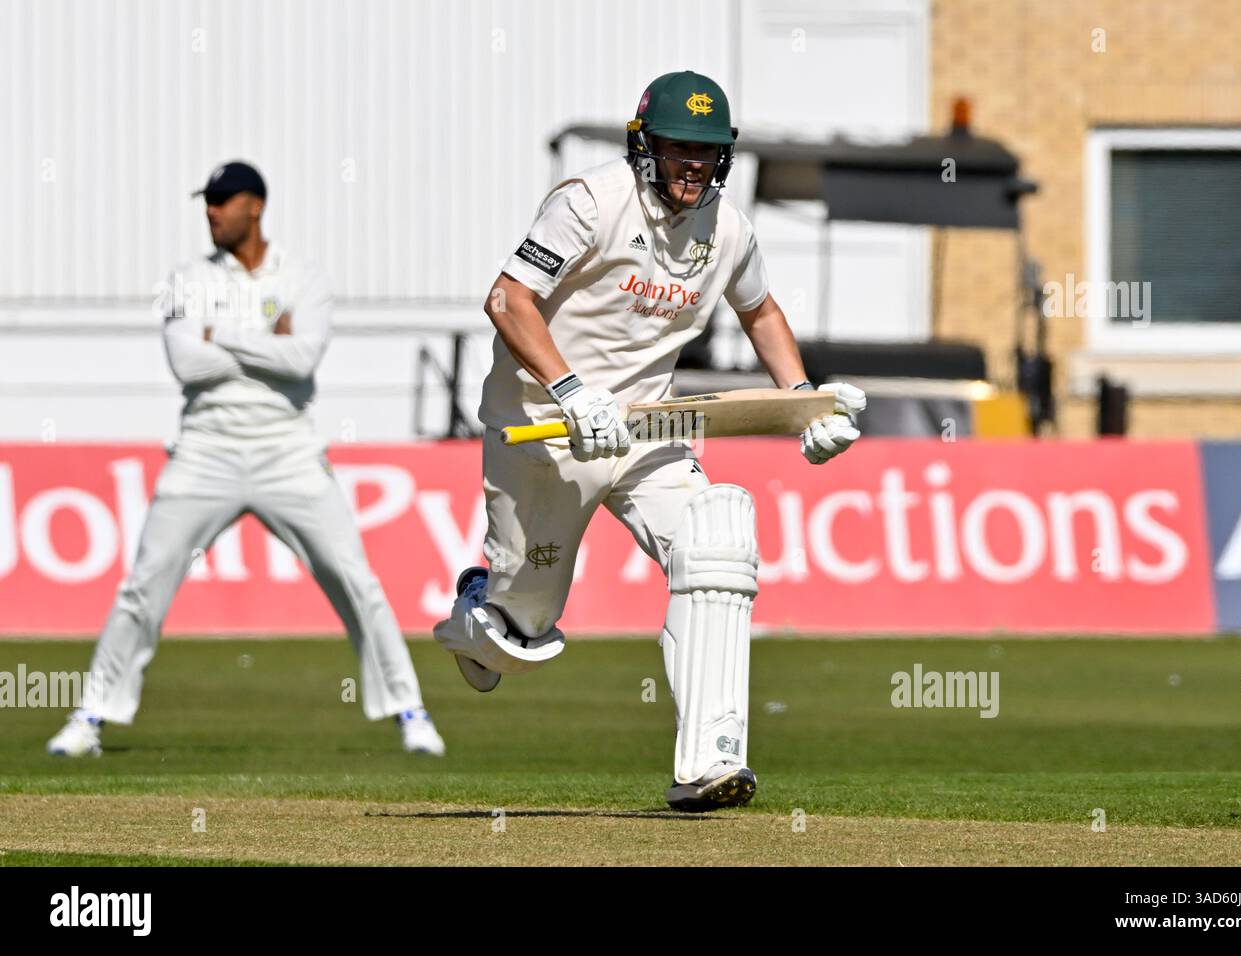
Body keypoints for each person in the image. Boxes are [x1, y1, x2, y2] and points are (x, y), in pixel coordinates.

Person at [433, 71, 865, 811]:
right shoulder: (589, 203)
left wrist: (804, 403)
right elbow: (507, 298)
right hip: (546, 422)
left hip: (648, 428)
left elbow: (760, 312)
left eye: (706, 151)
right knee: (520, 638)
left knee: (716, 539)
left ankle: (709, 762)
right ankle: (486, 606)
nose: (692, 166)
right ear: (645, 148)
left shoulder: (727, 228)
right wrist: (572, 390)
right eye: (676, 149)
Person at [46, 161, 445, 758]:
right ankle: (91, 718)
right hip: (204, 448)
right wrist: (265, 343)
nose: (211, 210)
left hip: (287, 447)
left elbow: (302, 359)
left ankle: (410, 713)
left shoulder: (303, 277)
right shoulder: (187, 279)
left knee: (355, 579)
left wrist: (220, 337)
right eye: (207, 201)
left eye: (222, 200)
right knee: (143, 585)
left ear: (254, 206)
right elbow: (186, 365)